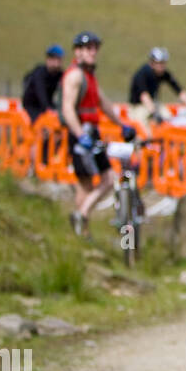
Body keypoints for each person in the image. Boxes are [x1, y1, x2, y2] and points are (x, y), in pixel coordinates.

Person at [57, 31, 136, 236]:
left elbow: (103, 103)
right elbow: (67, 108)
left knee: (100, 180)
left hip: (92, 132)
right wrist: (79, 134)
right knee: (95, 180)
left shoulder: (89, 76)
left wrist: (121, 124)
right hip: (82, 133)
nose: (92, 52)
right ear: (78, 51)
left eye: (94, 48)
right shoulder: (75, 76)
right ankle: (82, 221)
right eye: (87, 48)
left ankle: (81, 220)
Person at [127, 47, 186, 129]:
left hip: (153, 105)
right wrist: (154, 113)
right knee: (143, 124)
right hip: (138, 107)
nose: (161, 66)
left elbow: (178, 89)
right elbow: (144, 96)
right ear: (152, 63)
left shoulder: (163, 73)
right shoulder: (143, 74)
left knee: (168, 117)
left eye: (163, 63)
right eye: (159, 63)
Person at [21, 45, 64, 123]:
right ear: (48, 59)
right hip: (32, 106)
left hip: (47, 103)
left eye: (58, 59)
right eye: (53, 59)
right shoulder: (39, 73)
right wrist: (48, 109)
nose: (56, 63)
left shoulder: (59, 75)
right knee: (38, 123)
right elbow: (40, 92)